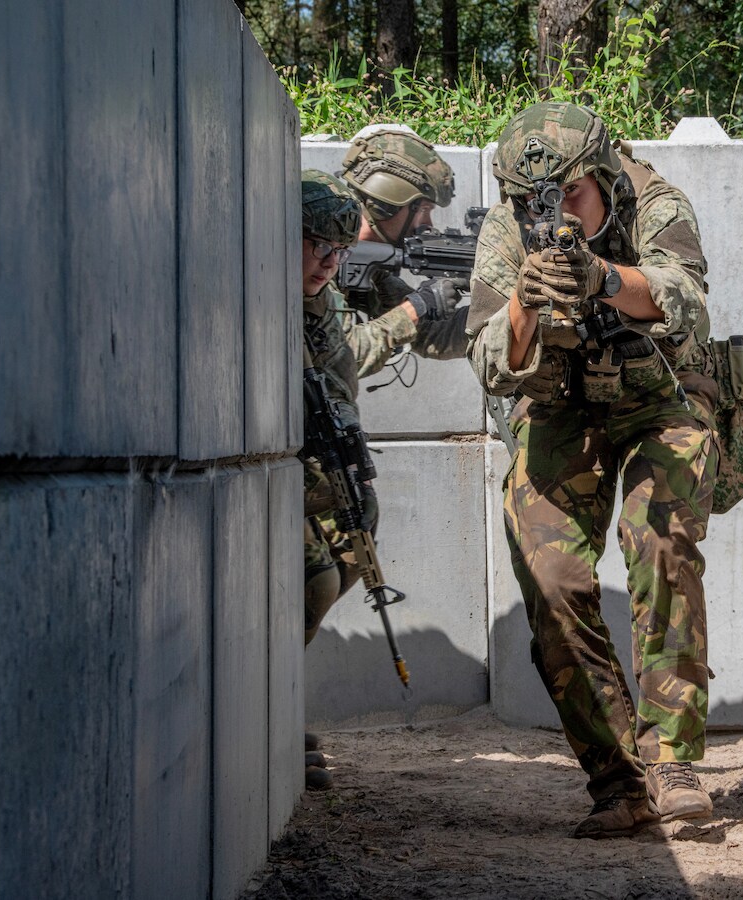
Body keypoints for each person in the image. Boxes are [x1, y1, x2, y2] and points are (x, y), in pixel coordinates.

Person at [465, 102, 720, 838]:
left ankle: (671, 755)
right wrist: (525, 297)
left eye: (566, 194)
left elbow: (688, 305)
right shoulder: (506, 229)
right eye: (525, 199)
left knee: (660, 539)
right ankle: (616, 777)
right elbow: (489, 361)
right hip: (560, 408)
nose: (544, 210)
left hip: (657, 401)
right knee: (549, 576)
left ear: (602, 175)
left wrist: (603, 276)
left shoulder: (654, 201)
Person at [299, 169, 377, 791]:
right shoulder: (258, 286)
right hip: (274, 466)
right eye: (317, 246)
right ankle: (273, 716)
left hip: (311, 460)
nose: (328, 263)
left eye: (339, 252)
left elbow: (338, 377)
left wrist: (354, 474)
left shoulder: (316, 300)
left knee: (355, 552)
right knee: (315, 579)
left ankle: (274, 708)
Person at [336, 127, 469, 376]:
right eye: (424, 209)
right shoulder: (325, 255)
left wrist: (499, 306)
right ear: (386, 205)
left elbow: (431, 335)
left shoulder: (370, 266)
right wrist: (417, 306)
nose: (428, 224)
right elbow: (341, 357)